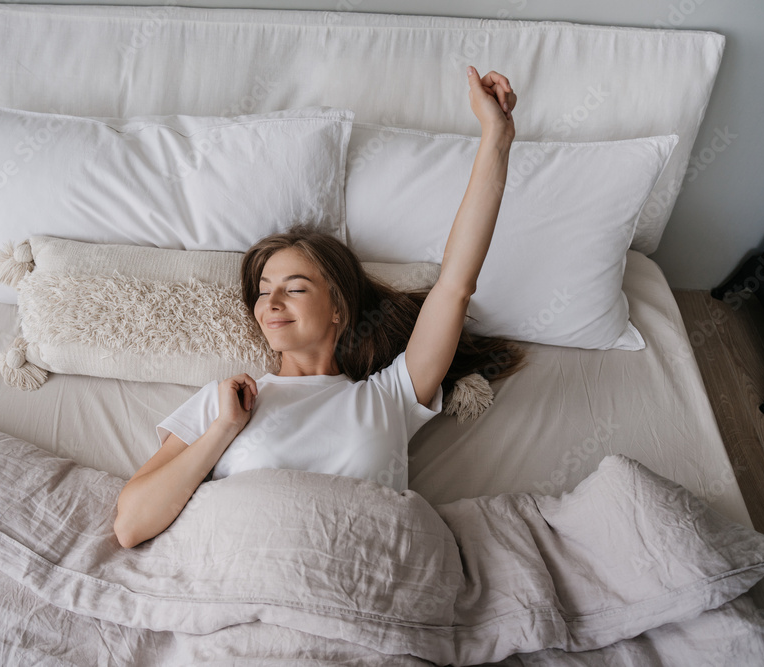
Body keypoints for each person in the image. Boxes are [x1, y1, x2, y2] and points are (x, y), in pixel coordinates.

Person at [114, 66, 525, 549]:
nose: (272, 303)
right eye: (264, 291)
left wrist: (495, 137)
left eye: (295, 288)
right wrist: (225, 428)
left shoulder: (390, 397)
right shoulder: (223, 402)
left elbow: (455, 283)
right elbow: (130, 526)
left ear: (338, 308)